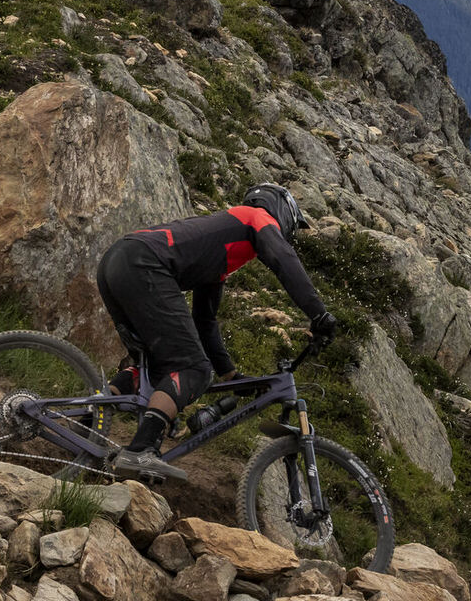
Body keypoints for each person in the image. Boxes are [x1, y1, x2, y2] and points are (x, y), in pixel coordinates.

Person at [94, 183, 338, 481]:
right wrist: (318, 313)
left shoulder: (220, 244)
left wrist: (231, 376)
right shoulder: (255, 217)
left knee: (156, 371)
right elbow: (283, 260)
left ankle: (83, 422)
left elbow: (204, 320)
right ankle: (140, 451)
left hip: (118, 261)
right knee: (193, 370)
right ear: (282, 212)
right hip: (144, 263)